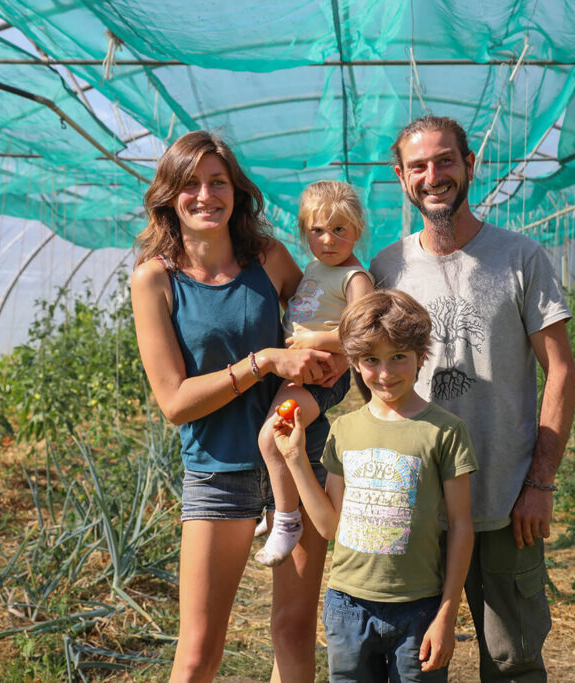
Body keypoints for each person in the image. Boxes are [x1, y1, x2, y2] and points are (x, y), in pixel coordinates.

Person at [369, 115, 575, 682]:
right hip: (416, 504)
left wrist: (539, 484)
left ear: (469, 165)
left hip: (505, 499)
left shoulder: (519, 257)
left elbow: (561, 372)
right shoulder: (386, 269)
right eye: (418, 166)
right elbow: (367, 376)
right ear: (401, 177)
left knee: (513, 659)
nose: (432, 175)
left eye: (445, 161)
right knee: (412, 663)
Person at [129, 130, 343, 682]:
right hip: (217, 472)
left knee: (293, 629)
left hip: (297, 461)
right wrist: (264, 362)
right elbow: (175, 402)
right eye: (190, 184)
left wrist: (327, 364)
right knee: (198, 651)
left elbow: (323, 321)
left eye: (217, 182)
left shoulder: (268, 259)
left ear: (236, 191)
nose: (205, 195)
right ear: (169, 196)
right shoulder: (155, 280)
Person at [271, 290, 477, 682]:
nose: (384, 373)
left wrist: (447, 614)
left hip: (419, 609)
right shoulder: (345, 430)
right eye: (371, 360)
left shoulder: (445, 431)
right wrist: (295, 457)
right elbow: (330, 527)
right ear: (354, 362)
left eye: (398, 356)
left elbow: (461, 525)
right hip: (347, 608)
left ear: (421, 355)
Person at [254, 180, 374, 567]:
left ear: (357, 229)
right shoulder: (314, 268)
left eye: (339, 229)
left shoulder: (355, 278)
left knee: (274, 436)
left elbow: (364, 333)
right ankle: (274, 508)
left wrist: (317, 339)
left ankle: (287, 521)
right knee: (271, 435)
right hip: (297, 372)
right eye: (317, 230)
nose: (327, 240)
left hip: (321, 375)